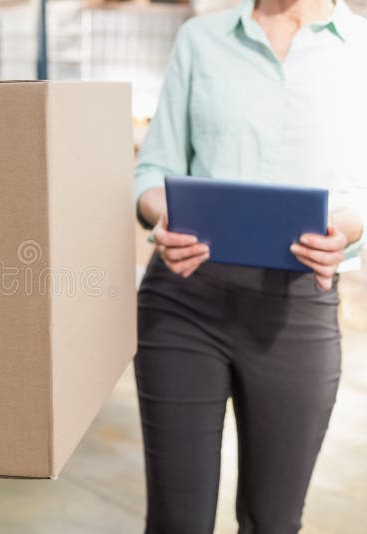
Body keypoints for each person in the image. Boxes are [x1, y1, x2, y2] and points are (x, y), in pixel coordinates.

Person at [134, 0, 366, 532]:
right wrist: (162, 215)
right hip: (183, 303)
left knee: (273, 521)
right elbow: (154, 168)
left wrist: (344, 232)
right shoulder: (202, 38)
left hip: (298, 311)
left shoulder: (360, 50)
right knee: (177, 521)